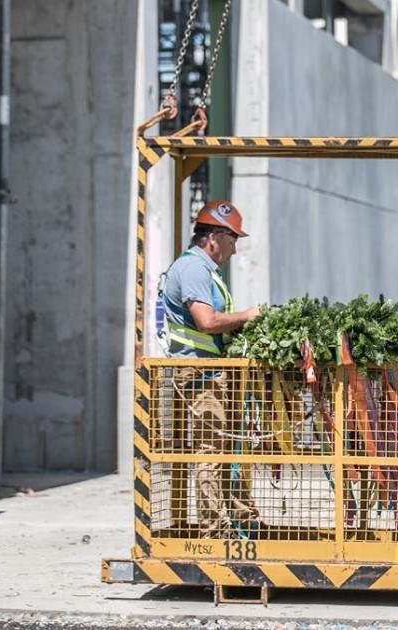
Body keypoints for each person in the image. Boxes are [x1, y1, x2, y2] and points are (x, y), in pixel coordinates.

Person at [160, 199, 262, 538]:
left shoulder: (206, 272)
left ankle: (242, 518)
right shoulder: (193, 270)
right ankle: (215, 530)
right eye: (233, 240)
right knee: (211, 451)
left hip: (213, 373)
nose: (234, 249)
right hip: (200, 375)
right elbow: (207, 322)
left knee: (228, 447)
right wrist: (247, 316)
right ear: (215, 237)